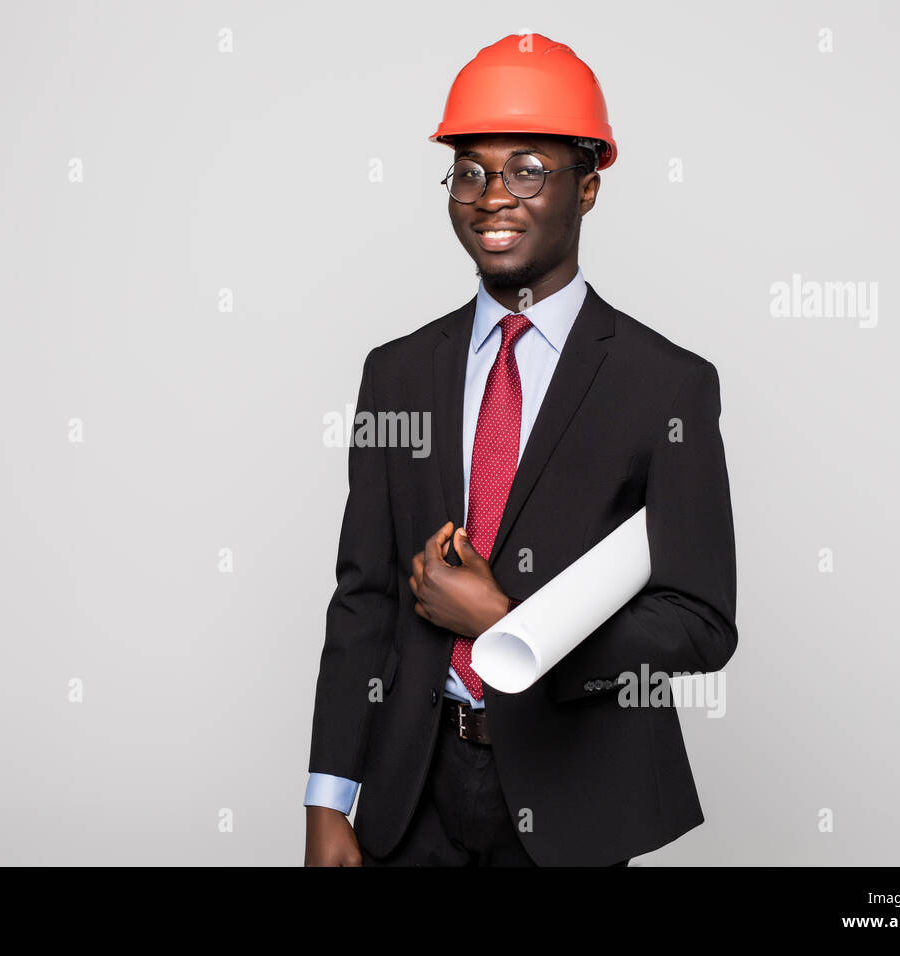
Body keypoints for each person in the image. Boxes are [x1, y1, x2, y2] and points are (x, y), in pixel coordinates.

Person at [304, 33, 738, 866]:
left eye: (528, 168)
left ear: (590, 187)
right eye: (470, 171)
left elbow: (699, 623)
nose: (492, 196)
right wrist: (328, 798)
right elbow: (362, 599)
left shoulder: (667, 386)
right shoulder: (395, 373)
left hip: (575, 804)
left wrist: (506, 625)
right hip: (407, 799)